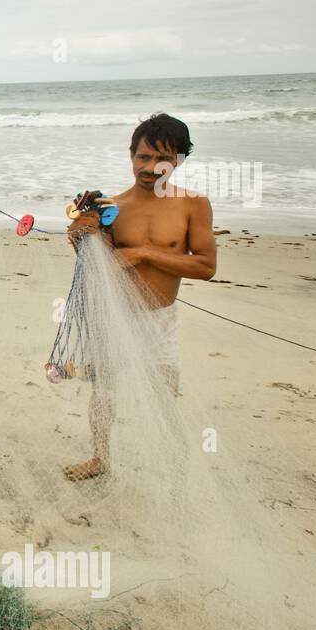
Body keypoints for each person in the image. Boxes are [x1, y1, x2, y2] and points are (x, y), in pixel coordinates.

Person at [63, 113, 218, 481]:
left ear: (179, 159)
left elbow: (206, 266)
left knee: (165, 394)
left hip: (158, 318)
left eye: (163, 159)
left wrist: (145, 253)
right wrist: (83, 236)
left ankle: (170, 464)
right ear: (131, 156)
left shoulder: (193, 205)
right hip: (114, 314)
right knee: (104, 391)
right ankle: (100, 458)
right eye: (143, 157)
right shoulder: (110, 207)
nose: (151, 168)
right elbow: (97, 265)